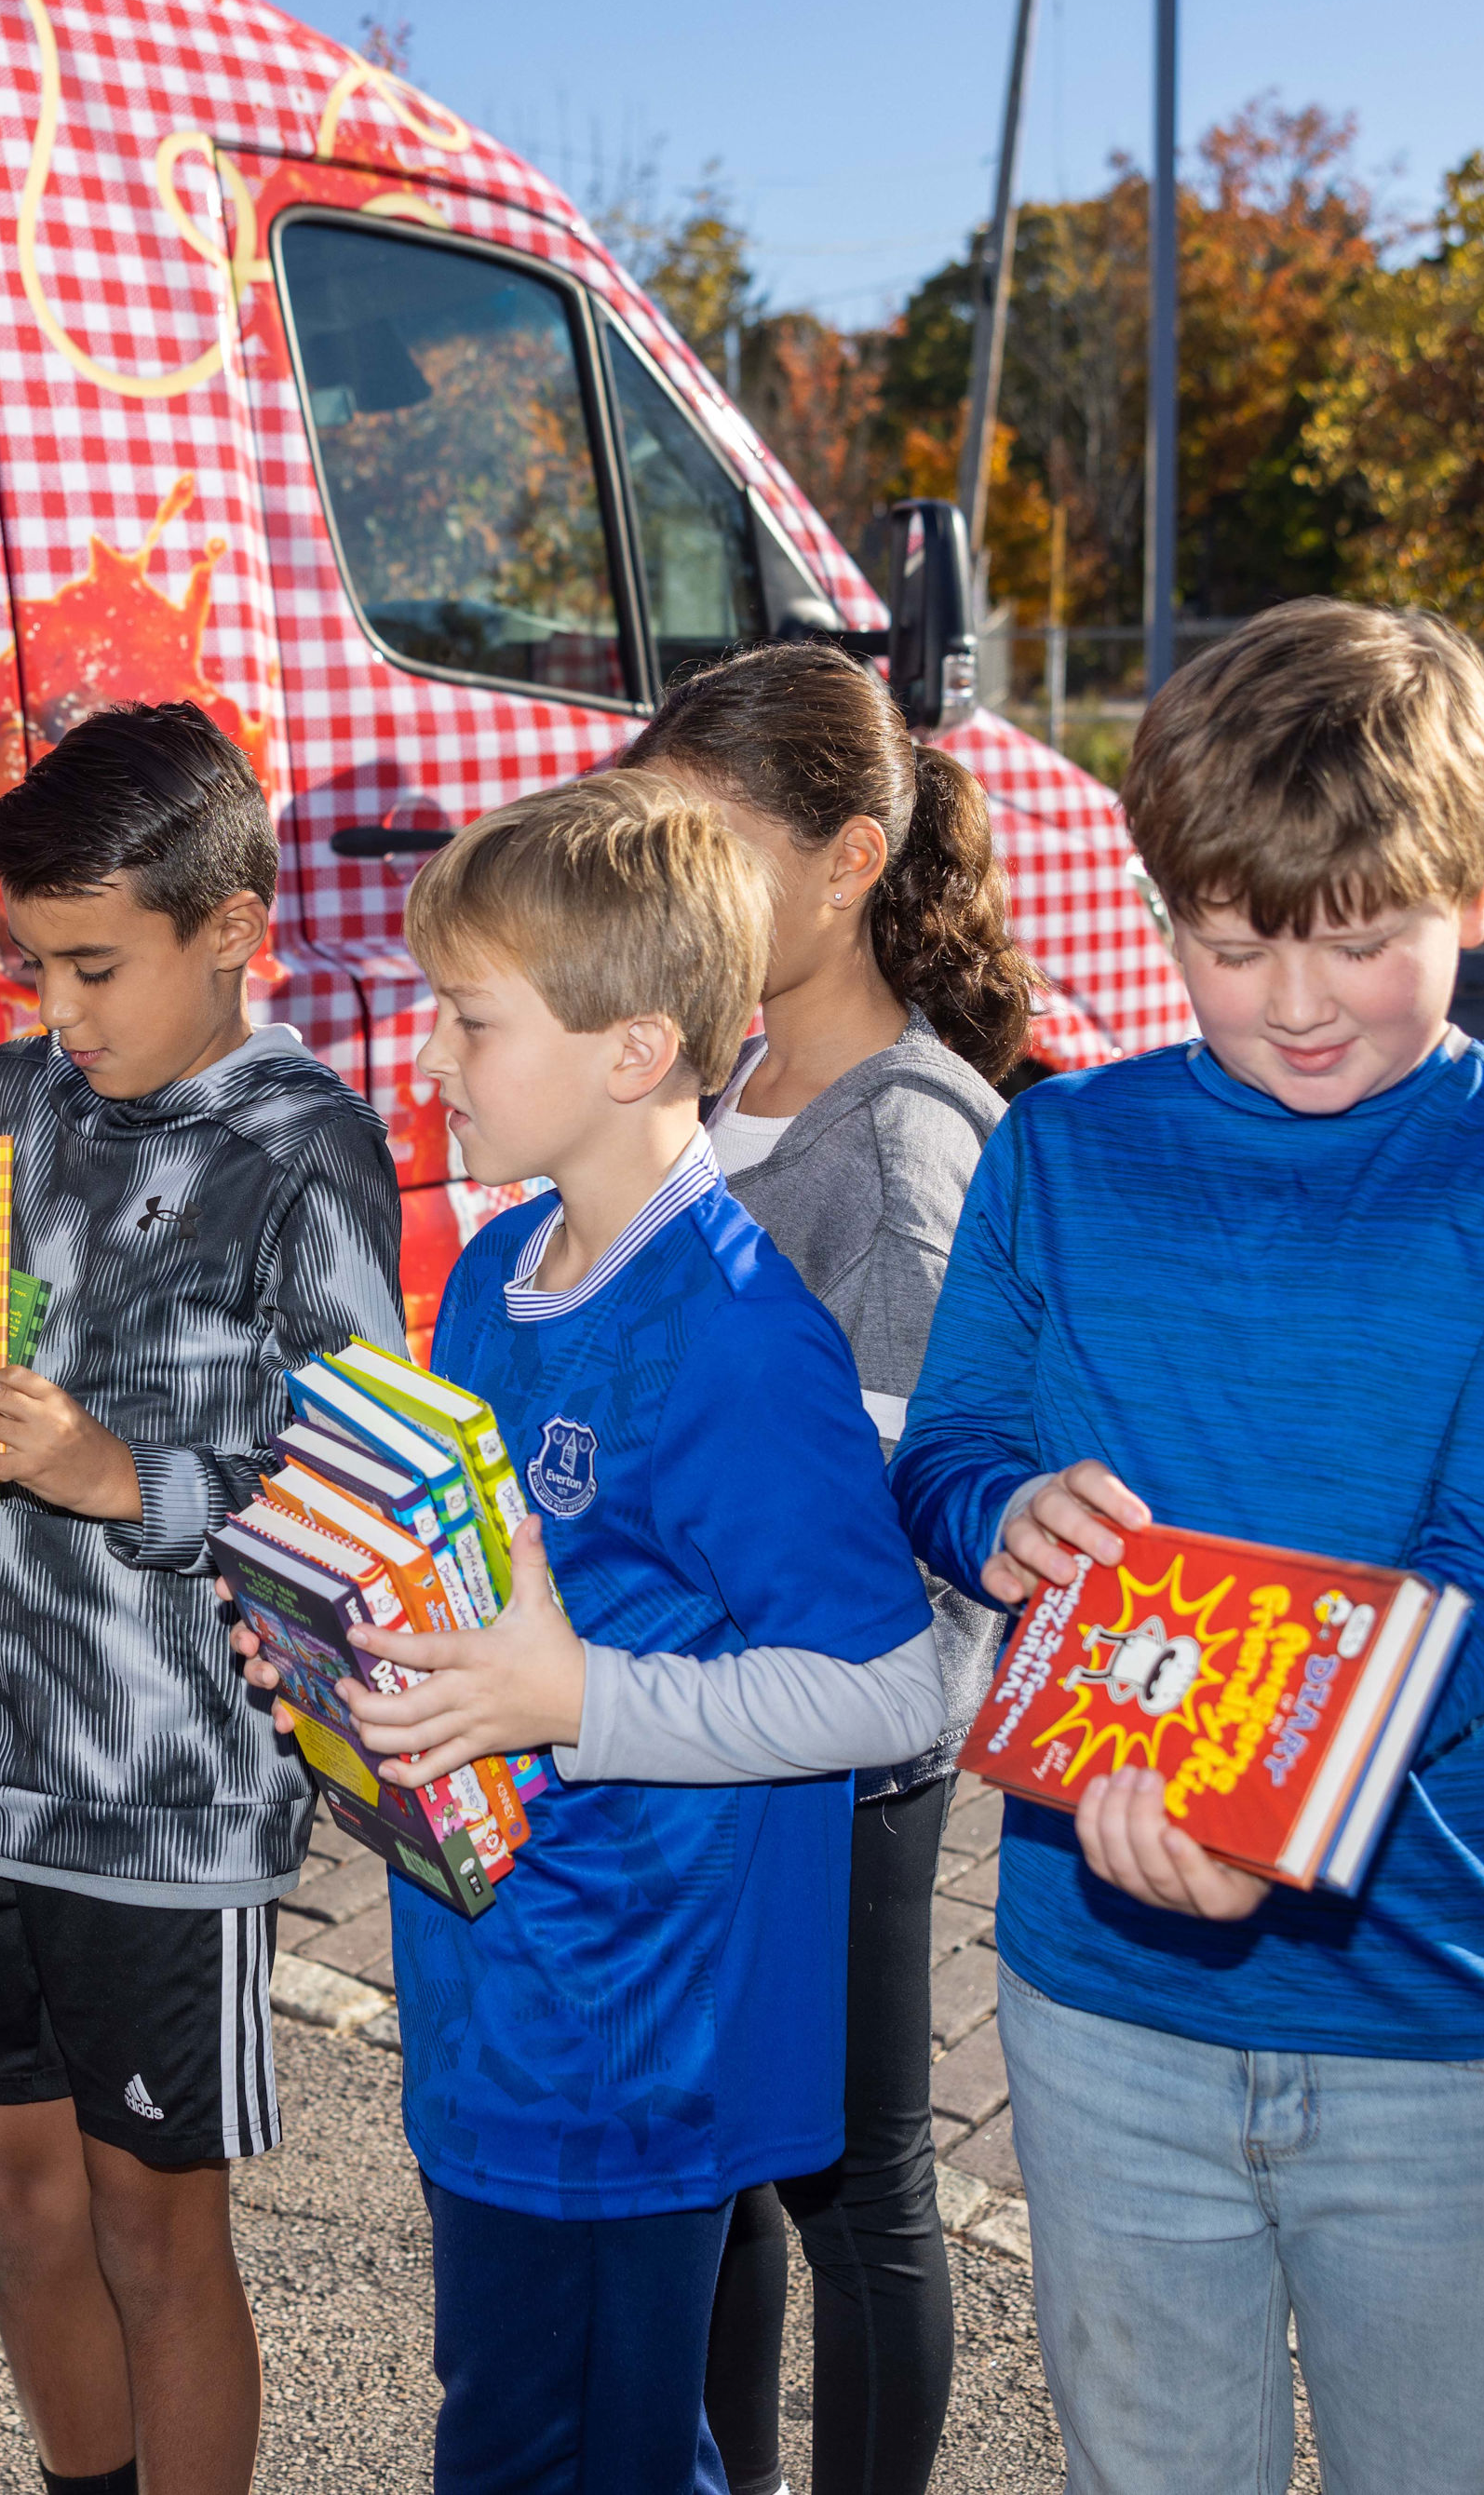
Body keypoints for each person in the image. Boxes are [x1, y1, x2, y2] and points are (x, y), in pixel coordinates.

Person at [887, 598, 1484, 2495]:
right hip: (1106, 2003)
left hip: (1442, 2011)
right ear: (1166, 904)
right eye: (1232, 945)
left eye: (1363, 938)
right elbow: (948, 1450)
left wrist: (1261, 1805)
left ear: (1478, 892)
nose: (1299, 1001)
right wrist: (1001, 1510)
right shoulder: (1060, 1151)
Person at [240, 767, 941, 2491]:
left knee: (617, 2457)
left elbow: (890, 1681)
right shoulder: (492, 1273)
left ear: (633, 1050)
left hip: (645, 2028)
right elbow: (466, 1581)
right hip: (493, 1978)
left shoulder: (734, 1337)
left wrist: (579, 1697)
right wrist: (351, 1681)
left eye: (466, 1022)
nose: (421, 1056)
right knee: (497, 2429)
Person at [0, 702, 404, 2495]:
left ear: (232, 925)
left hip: (168, 1797)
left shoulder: (307, 1150)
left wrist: (130, 1477)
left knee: (151, 2226)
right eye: (31, 965)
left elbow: (363, 1493)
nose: (58, 1012)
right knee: (17, 2201)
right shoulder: (2, 1101)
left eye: (94, 966)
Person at [618, 641, 1036, 2495]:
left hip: (848, 1748)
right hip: (709, 1719)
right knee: (716, 2161)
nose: (662, 891)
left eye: (699, 847)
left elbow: (887, 1503)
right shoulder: (717, 1072)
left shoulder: (911, 1141)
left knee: (849, 2180)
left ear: (851, 857)